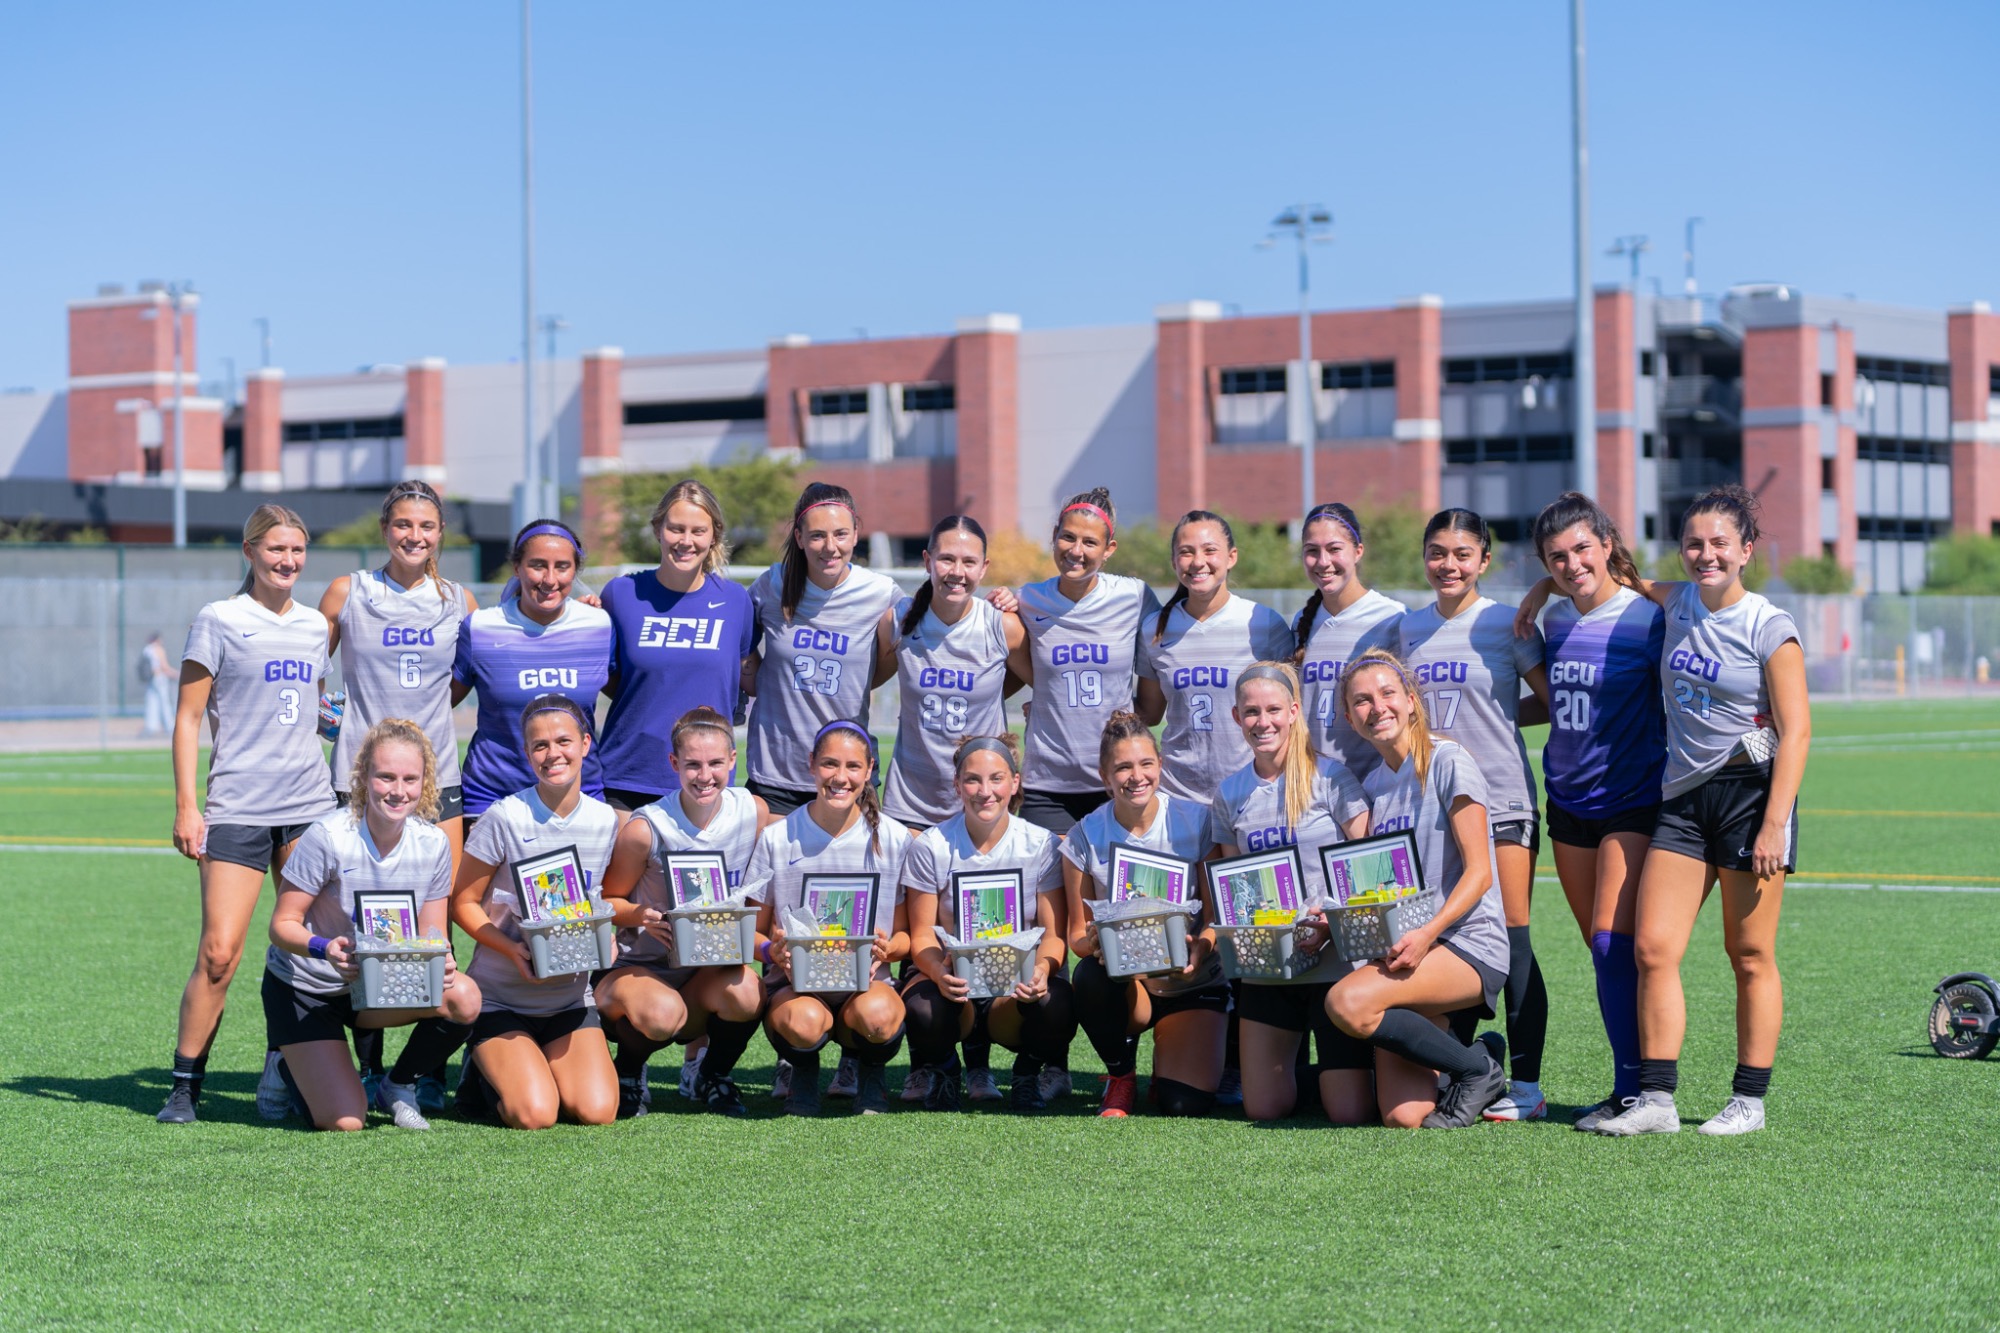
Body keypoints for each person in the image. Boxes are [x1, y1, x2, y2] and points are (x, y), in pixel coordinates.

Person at [1547, 486, 1809, 1138]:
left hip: (1752, 797)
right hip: (1682, 800)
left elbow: (1798, 731)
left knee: (1748, 952)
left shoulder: (1768, 625)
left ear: (1747, 549)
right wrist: (1537, 594)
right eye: (1694, 542)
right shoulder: (1677, 599)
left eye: (1720, 542)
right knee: (1654, 948)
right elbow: (1620, 575)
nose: (1705, 553)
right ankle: (1656, 1100)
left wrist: (1776, 821)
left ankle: (1749, 1098)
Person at [157, 505, 338, 1125]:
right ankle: (185, 1083)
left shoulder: (316, 626)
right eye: (275, 550)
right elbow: (186, 720)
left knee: (306, 949)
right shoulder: (219, 620)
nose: (287, 562)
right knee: (219, 952)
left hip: (310, 808)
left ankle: (280, 1061)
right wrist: (187, 806)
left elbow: (313, 707)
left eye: (297, 551)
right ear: (250, 551)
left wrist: (334, 718)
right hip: (237, 807)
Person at [319, 481, 478, 1113]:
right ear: (386, 529)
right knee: (362, 920)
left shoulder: (457, 600)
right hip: (360, 782)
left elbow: (458, 684)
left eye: (428, 526)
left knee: (436, 916)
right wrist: (331, 721)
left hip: (437, 783)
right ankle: (367, 1066)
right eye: (404, 525)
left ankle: (424, 1069)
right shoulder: (348, 590)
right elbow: (310, 666)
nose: (416, 536)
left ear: (442, 533)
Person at [1397, 508, 1551, 1121]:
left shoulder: (1507, 623)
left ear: (1484, 560)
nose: (1449, 565)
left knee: (1512, 937)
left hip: (1503, 799)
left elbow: (1547, 700)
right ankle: (1467, 1069)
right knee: (1452, 937)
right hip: (1433, 808)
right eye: (1437, 553)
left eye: (1462, 554)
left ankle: (1529, 1086)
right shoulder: (1407, 628)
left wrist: (1502, 719)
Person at [262, 720, 482, 1131]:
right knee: (346, 1121)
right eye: (386, 777)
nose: (398, 791)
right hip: (308, 988)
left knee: (463, 996)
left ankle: (398, 1084)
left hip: (372, 990)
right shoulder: (328, 835)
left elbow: (433, 936)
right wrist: (323, 947)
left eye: (410, 779)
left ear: (424, 782)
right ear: (364, 777)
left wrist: (442, 961)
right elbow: (281, 925)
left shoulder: (432, 843)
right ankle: (284, 1062)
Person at [1324, 650, 1511, 1127]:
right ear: (1349, 716)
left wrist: (1427, 935)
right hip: (1411, 950)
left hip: (1466, 945)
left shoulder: (1449, 761)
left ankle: (1477, 1071)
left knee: (1347, 1002)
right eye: (1362, 701)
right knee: (1406, 1118)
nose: (1377, 708)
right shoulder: (1373, 784)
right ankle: (1471, 1053)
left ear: (1410, 701)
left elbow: (1480, 874)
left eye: (1388, 694)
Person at [1525, 493, 1665, 1131]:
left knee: (1614, 944)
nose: (1572, 563)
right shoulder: (1553, 621)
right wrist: (1536, 593)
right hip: (1568, 799)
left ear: (1607, 543)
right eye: (1556, 556)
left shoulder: (1648, 616)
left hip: (1631, 799)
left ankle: (1638, 1092)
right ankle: (1631, 1086)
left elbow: (1701, 603)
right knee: (1598, 946)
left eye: (1583, 547)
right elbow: (1555, 701)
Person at [1208, 664, 1370, 1122]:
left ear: (1294, 711)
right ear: (1237, 717)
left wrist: (1329, 923)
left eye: (1274, 709)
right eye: (1252, 712)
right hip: (1270, 971)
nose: (1264, 722)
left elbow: (1366, 865)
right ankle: (1319, 1074)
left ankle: (1372, 1066)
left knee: (1350, 1114)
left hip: (1336, 964)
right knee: (1265, 1108)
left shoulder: (1332, 778)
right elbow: (1229, 885)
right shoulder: (1231, 792)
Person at [450, 696, 619, 1129]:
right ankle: (483, 1071)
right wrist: (511, 949)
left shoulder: (607, 822)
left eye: (563, 741)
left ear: (585, 743)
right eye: (539, 746)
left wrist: (610, 934)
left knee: (596, 1112)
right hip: (500, 997)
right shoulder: (503, 817)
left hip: (568, 999)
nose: (552, 754)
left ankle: (532, 1064)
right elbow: (462, 904)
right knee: (534, 1114)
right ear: (527, 754)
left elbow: (606, 903)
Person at [596, 707, 774, 1119]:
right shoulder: (647, 827)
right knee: (660, 1014)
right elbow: (607, 901)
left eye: (715, 763)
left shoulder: (753, 811)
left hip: (702, 971)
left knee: (748, 991)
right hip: (639, 970)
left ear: (733, 760)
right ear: (674, 764)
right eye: (692, 764)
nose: (704, 775)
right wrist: (642, 915)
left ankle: (710, 1075)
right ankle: (628, 1071)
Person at [745, 720, 912, 1116]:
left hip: (867, 987)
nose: (840, 778)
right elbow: (749, 932)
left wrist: (888, 948)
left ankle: (871, 1078)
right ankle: (801, 1075)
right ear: (811, 765)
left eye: (853, 767)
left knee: (878, 1016)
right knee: (803, 1021)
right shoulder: (777, 836)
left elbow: (908, 936)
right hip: (798, 988)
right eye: (829, 765)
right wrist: (773, 950)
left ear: (870, 770)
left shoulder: (893, 838)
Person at [1064, 711, 1225, 1118]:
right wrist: (1099, 942)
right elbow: (1076, 937)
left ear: (1160, 766)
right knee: (1089, 975)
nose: (1136, 776)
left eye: (1145, 764)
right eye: (1122, 767)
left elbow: (1215, 916)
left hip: (1189, 981)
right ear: (1104, 776)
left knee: (1182, 1103)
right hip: (1129, 988)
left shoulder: (1196, 820)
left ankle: (1174, 1064)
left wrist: (1200, 949)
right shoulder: (1085, 835)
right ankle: (1120, 1074)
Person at [902, 733, 1075, 1111]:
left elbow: (1054, 935)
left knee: (1058, 1000)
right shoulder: (931, 846)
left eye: (997, 778)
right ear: (956, 785)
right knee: (921, 1007)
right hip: (958, 986)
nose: (985, 791)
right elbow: (920, 937)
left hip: (1011, 992)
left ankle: (1026, 1073)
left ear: (1015, 783)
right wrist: (938, 973)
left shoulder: (1041, 844)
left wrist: (1043, 969)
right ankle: (947, 1069)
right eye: (973, 779)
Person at [597, 480, 757, 815]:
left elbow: (744, 674)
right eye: (676, 529)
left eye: (698, 531)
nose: (686, 541)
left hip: (705, 782)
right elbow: (614, 680)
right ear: (658, 529)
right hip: (628, 778)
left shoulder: (735, 601)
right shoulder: (621, 594)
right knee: (625, 871)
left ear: (714, 535)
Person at [1010, 487, 1160, 836]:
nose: (1076, 551)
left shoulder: (1134, 596)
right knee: (1053, 890)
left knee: (1118, 887)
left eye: (1090, 542)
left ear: (1109, 550)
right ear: (1054, 538)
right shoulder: (1029, 600)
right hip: (1050, 782)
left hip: (1117, 777)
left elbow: (1152, 705)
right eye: (1068, 537)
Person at [742, 483, 899, 816]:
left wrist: (1000, 602)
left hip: (846, 773)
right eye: (817, 536)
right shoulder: (774, 585)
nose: (830, 547)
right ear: (799, 538)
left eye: (841, 534)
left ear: (856, 534)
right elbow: (732, 631)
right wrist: (755, 678)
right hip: (777, 771)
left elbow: (930, 628)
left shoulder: (880, 593)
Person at [453, 519, 615, 821]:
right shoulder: (481, 627)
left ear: (575, 571)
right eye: (538, 565)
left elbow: (629, 694)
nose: (550, 579)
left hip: (579, 796)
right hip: (492, 795)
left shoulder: (599, 624)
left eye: (562, 567)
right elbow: (440, 701)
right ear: (517, 568)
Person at [1136, 510, 1296, 802]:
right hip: (1178, 795)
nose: (1198, 562)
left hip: (1251, 792)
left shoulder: (1263, 623)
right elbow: (1149, 712)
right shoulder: (1153, 630)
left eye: (1210, 550)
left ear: (1231, 557)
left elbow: (1293, 713)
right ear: (1174, 561)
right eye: (1186, 552)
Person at [883, 515, 1022, 832]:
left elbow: (1041, 680)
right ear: (927, 561)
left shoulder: (1001, 625)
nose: (957, 572)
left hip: (982, 802)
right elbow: (868, 682)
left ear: (984, 568)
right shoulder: (900, 621)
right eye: (947, 559)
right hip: (910, 804)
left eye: (969, 562)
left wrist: (989, 697)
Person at [1293, 502, 1407, 781]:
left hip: (1374, 785)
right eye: (1312, 551)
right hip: (1313, 787)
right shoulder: (1301, 621)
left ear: (1357, 551)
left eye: (1334, 549)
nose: (1323, 561)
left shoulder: (1391, 618)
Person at [140, 632, 175, 736]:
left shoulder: (146, 650)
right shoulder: (158, 649)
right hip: (159, 678)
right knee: (165, 703)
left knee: (152, 703)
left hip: (151, 679)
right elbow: (164, 666)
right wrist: (175, 673)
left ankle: (151, 726)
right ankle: (169, 726)